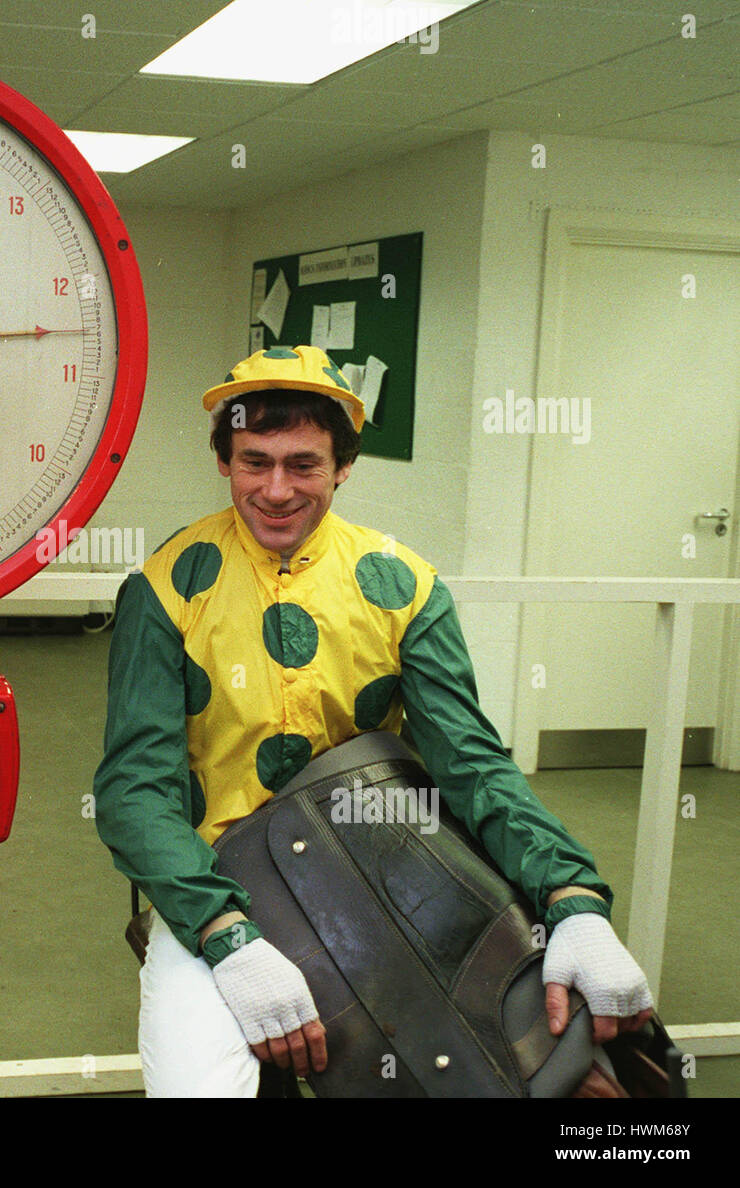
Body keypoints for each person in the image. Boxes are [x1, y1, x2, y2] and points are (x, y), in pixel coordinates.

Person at [93, 345, 653, 1097]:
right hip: (215, 878)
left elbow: (473, 765)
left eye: (305, 464)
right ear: (223, 459)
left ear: (344, 465)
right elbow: (135, 792)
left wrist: (573, 898)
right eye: (255, 461)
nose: (277, 489)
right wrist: (223, 935)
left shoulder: (405, 587)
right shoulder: (164, 588)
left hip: (388, 871)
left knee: (528, 1072)